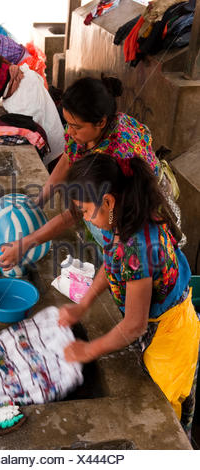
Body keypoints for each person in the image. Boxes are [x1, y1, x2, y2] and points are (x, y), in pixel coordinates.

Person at [59, 152, 199, 435]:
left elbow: (134, 325)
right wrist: (83, 305)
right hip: (157, 324)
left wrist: (89, 350)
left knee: (164, 419)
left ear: (107, 201)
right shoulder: (121, 216)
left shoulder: (137, 246)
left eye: (85, 211)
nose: (84, 217)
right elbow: (111, 263)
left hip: (171, 336)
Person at [0, 75, 174, 271]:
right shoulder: (82, 133)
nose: (70, 132)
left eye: (76, 126)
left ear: (100, 122)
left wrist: (26, 244)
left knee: (123, 261)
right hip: (112, 209)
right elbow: (67, 159)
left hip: (139, 210)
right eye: (68, 124)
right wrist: (39, 201)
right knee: (108, 251)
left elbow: (76, 214)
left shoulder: (116, 154)